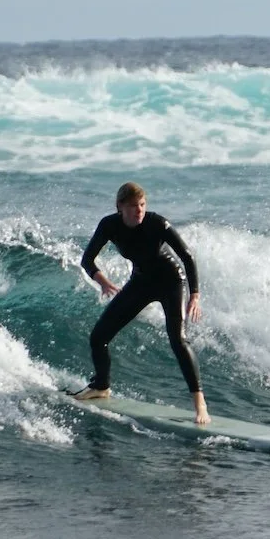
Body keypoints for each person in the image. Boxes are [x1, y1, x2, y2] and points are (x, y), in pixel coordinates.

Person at [75, 181, 208, 424]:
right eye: (133, 206)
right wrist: (103, 282)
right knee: (99, 336)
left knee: (178, 340)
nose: (139, 210)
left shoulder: (157, 223)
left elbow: (187, 256)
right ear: (120, 207)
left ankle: (200, 405)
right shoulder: (109, 225)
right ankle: (101, 386)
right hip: (141, 282)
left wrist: (195, 295)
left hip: (171, 281)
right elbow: (87, 259)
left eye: (143, 205)